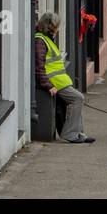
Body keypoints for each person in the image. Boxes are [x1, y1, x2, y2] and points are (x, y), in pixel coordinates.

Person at [34, 13, 93, 143]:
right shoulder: (40, 40)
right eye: (56, 26)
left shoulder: (46, 38)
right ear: (50, 27)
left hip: (60, 81)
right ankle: (70, 134)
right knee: (78, 98)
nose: (58, 29)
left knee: (78, 99)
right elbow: (39, 66)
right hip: (54, 81)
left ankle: (78, 133)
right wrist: (48, 85)